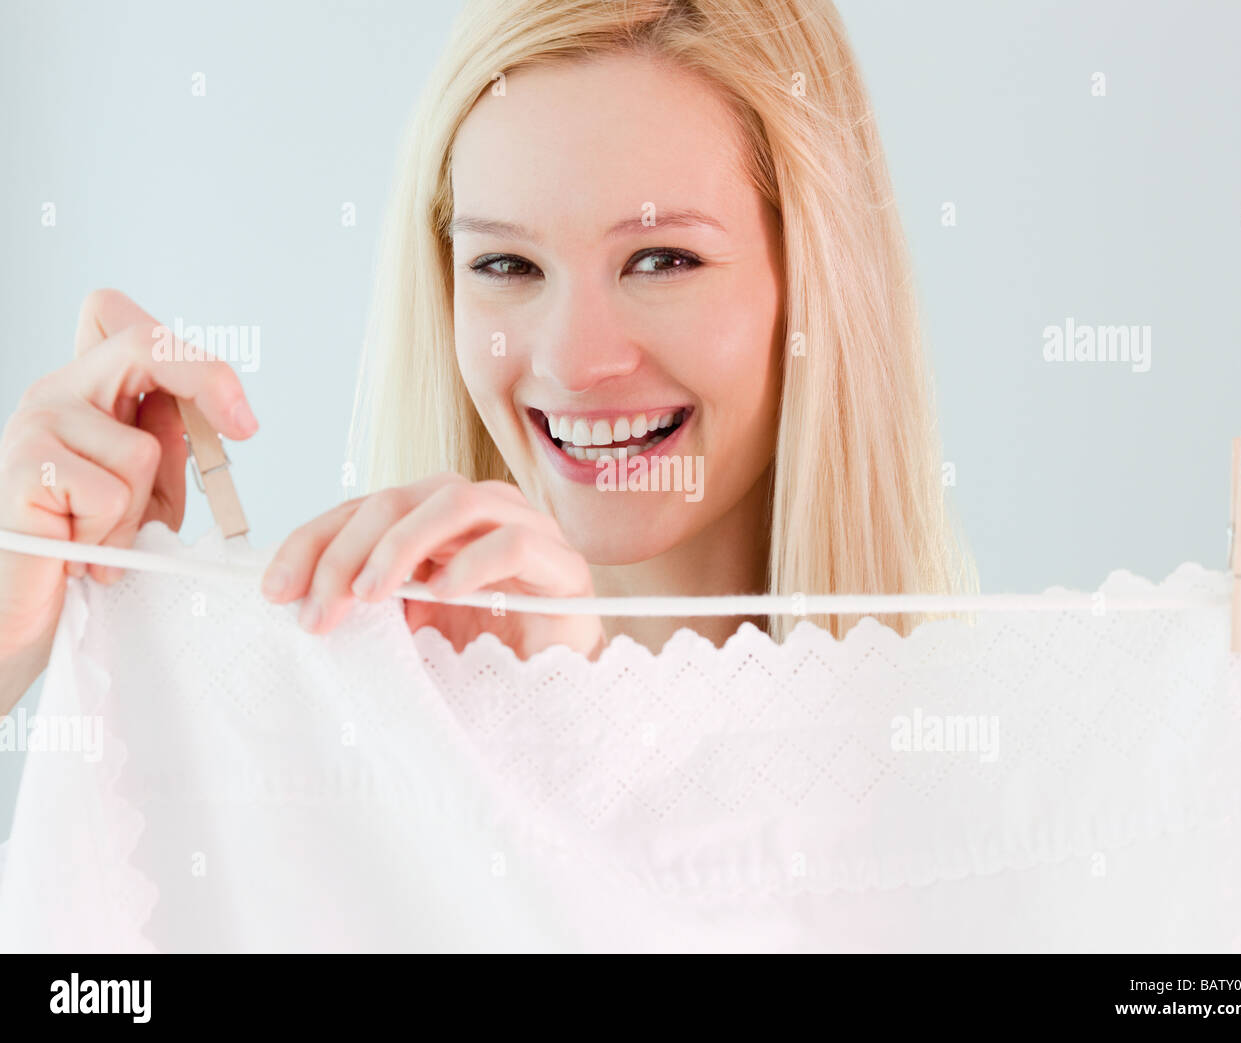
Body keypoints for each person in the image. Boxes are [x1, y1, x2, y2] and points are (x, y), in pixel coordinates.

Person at [0, 0, 973, 719]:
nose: (575, 358)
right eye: (506, 263)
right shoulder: (354, 727)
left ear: (815, 282)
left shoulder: (998, 771)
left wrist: (585, 749)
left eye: (660, 259)